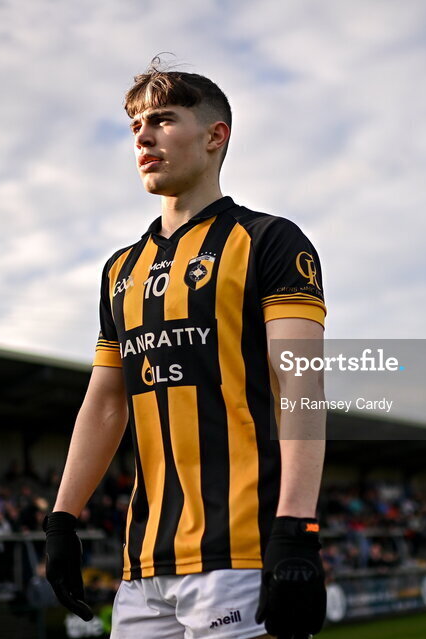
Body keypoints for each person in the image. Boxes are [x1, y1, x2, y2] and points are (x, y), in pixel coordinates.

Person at [44, 59, 328, 639]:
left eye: (163, 120)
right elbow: (104, 402)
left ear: (215, 136)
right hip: (144, 565)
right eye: (135, 126)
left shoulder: (270, 240)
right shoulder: (119, 270)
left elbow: (301, 389)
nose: (143, 136)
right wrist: (62, 519)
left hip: (241, 551)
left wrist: (296, 527)